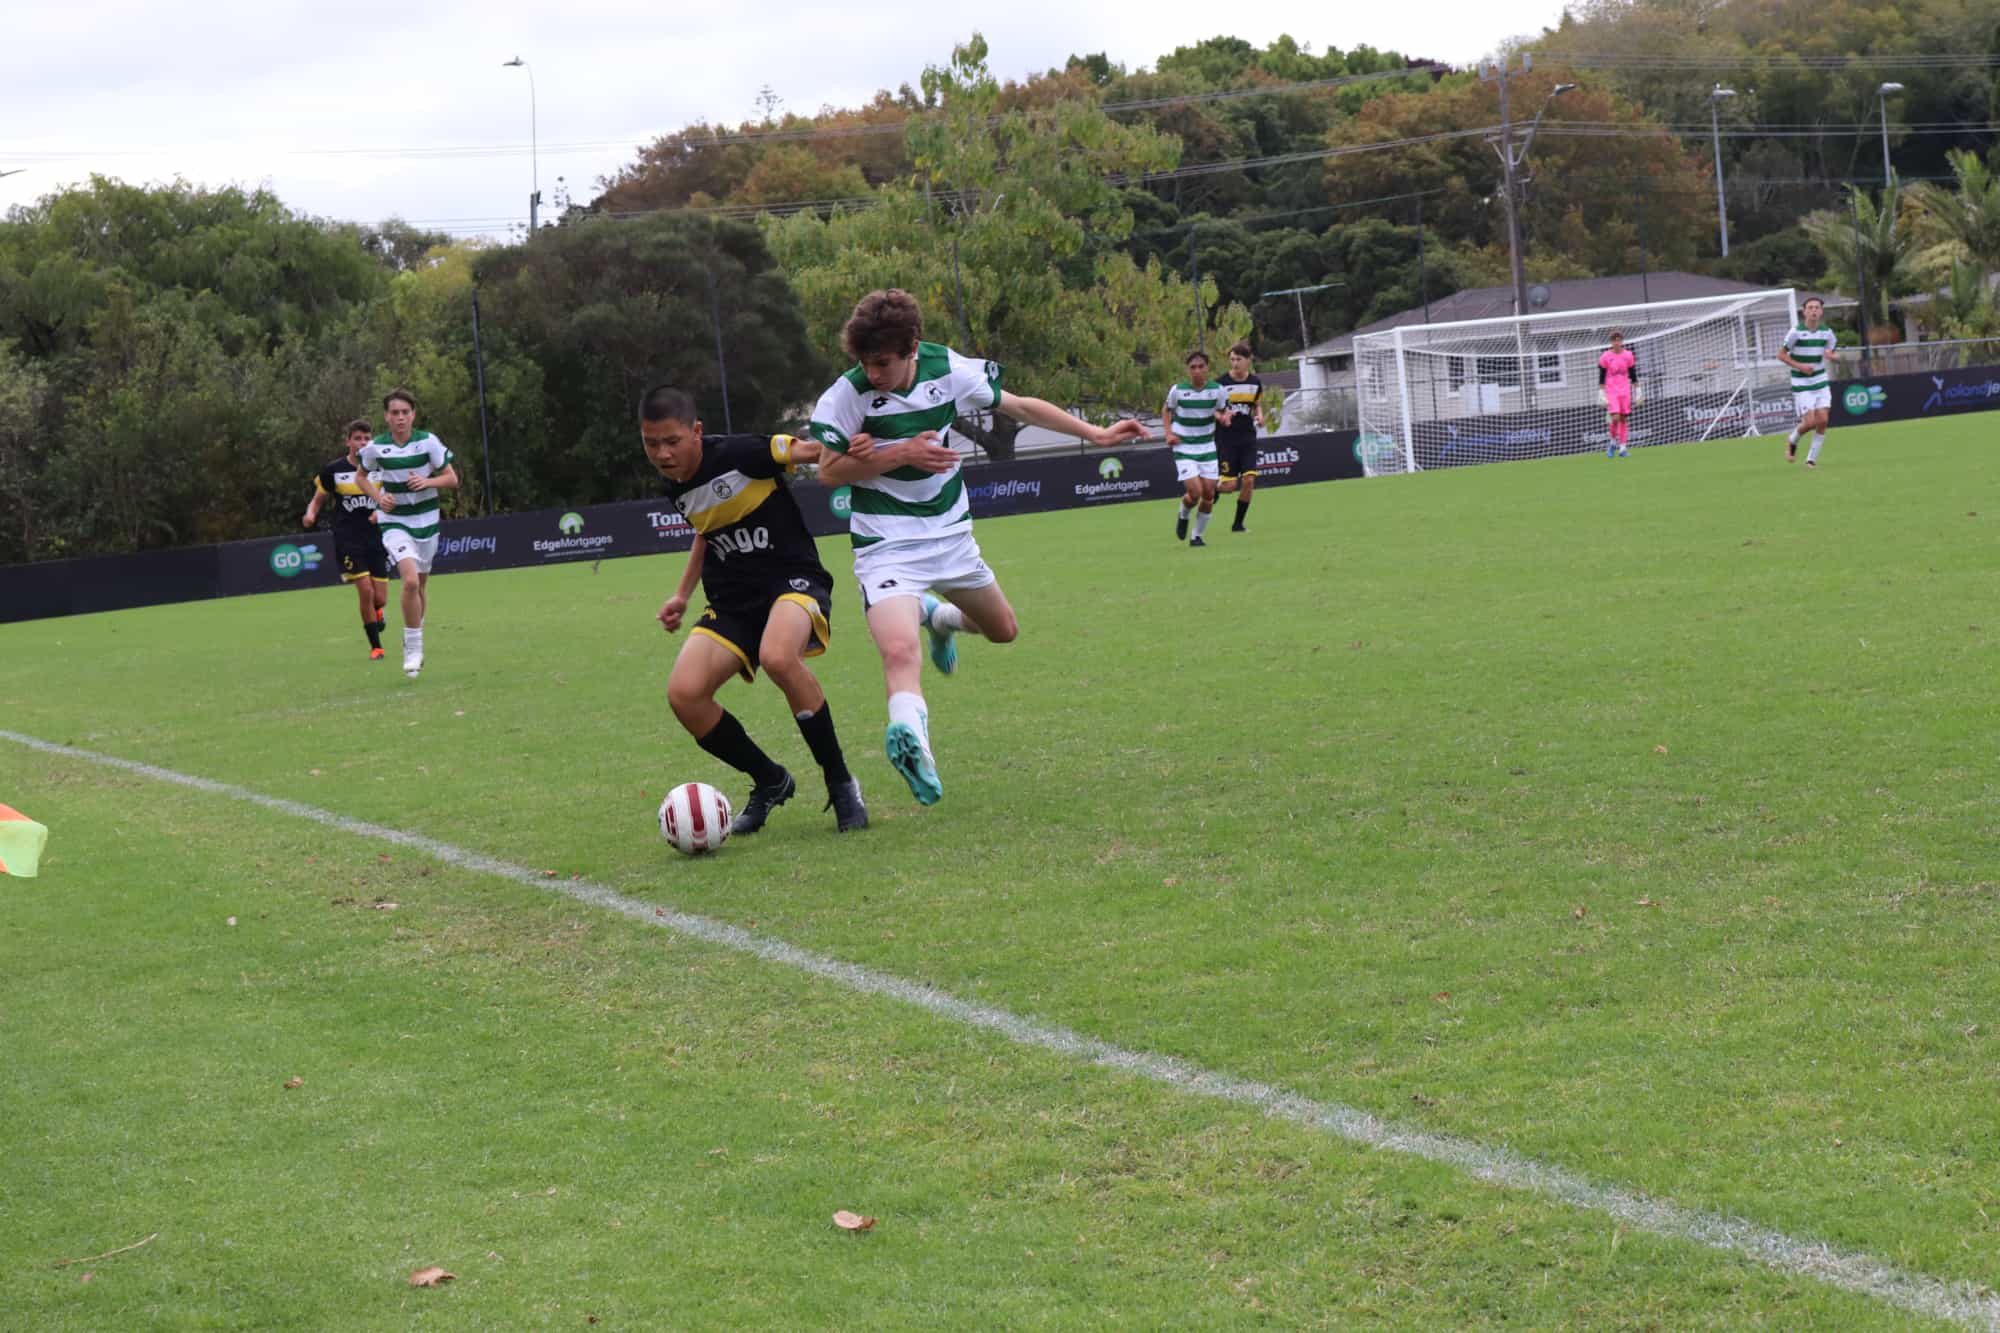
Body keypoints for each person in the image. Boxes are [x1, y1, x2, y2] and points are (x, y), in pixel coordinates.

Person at [808, 288, 1145, 806]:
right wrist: (900, 452)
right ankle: (915, 746)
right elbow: (828, 473)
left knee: (1003, 630)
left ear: (911, 347)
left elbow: (1019, 405)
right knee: (899, 652)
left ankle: (940, 618)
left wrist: (1095, 433)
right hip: (886, 542)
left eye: (883, 362)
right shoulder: (848, 394)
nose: (872, 373)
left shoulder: (947, 368)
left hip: (950, 535)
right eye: (864, 362)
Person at [640, 386, 866, 836]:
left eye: (672, 441)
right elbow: (706, 530)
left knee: (779, 656)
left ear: (697, 432)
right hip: (732, 603)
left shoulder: (743, 452)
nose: (662, 453)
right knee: (684, 694)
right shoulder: (674, 486)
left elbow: (807, 449)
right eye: (651, 443)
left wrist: (854, 440)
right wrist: (682, 595)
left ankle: (840, 781)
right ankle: (770, 780)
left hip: (792, 580)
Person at [353, 388, 458, 678]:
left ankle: (413, 631)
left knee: (421, 586)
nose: (400, 417)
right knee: (409, 582)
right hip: (394, 521)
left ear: (413, 415)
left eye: (405, 412)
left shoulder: (428, 442)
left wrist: (427, 482)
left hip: (426, 521)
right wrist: (377, 498)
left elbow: (452, 478)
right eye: (394, 413)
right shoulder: (376, 448)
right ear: (386, 416)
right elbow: (361, 477)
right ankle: (413, 648)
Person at [302, 418, 390, 659]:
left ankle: (378, 612)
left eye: (366, 438)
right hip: (348, 538)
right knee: (365, 591)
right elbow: (318, 499)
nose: (362, 443)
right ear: (348, 441)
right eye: (357, 438)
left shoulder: (380, 467)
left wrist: (380, 511)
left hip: (376, 538)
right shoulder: (334, 470)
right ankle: (376, 646)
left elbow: (390, 494)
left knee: (380, 597)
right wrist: (310, 514)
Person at [1163, 351, 1229, 547]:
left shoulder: (1217, 390)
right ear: (1188, 370)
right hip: (1184, 447)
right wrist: (1168, 433)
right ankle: (1183, 514)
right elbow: (1166, 410)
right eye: (1193, 367)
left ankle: (1197, 536)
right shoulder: (1178, 390)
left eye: (1201, 366)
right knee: (1195, 492)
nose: (1197, 370)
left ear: (1207, 369)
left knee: (1209, 494)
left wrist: (1224, 418)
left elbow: (1222, 410)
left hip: (1207, 446)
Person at [1777, 297, 1838, 468]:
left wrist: (1833, 356)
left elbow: (1832, 352)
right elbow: (1781, 355)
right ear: (1804, 312)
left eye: (1817, 307)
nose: (1813, 311)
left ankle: (1811, 460)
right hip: (1801, 382)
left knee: (1823, 420)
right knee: (1810, 422)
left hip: (1820, 380)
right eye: (1810, 308)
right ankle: (1792, 441)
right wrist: (1800, 366)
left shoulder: (1827, 333)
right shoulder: (1795, 332)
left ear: (1821, 311)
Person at [1213, 341, 1266, 532]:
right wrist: (1221, 417)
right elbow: (1212, 410)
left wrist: (1260, 416)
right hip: (1227, 439)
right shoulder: (1220, 384)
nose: (1235, 363)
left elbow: (1256, 405)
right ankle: (1212, 489)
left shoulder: (1255, 382)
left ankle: (1238, 524)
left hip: (1248, 439)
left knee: (1249, 480)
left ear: (1248, 360)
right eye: (1232, 359)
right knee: (1228, 486)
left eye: (1238, 359)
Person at [1598, 331, 1640, 459]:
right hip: (1611, 390)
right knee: (1615, 417)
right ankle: (1612, 442)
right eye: (1614, 340)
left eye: (1619, 340)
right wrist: (1601, 393)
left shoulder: (1628, 355)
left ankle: (1622, 448)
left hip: (1625, 390)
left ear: (1622, 341)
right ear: (1611, 342)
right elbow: (1602, 376)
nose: (1617, 343)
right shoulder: (1605, 356)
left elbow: (1633, 374)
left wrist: (1638, 391)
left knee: (1623, 419)